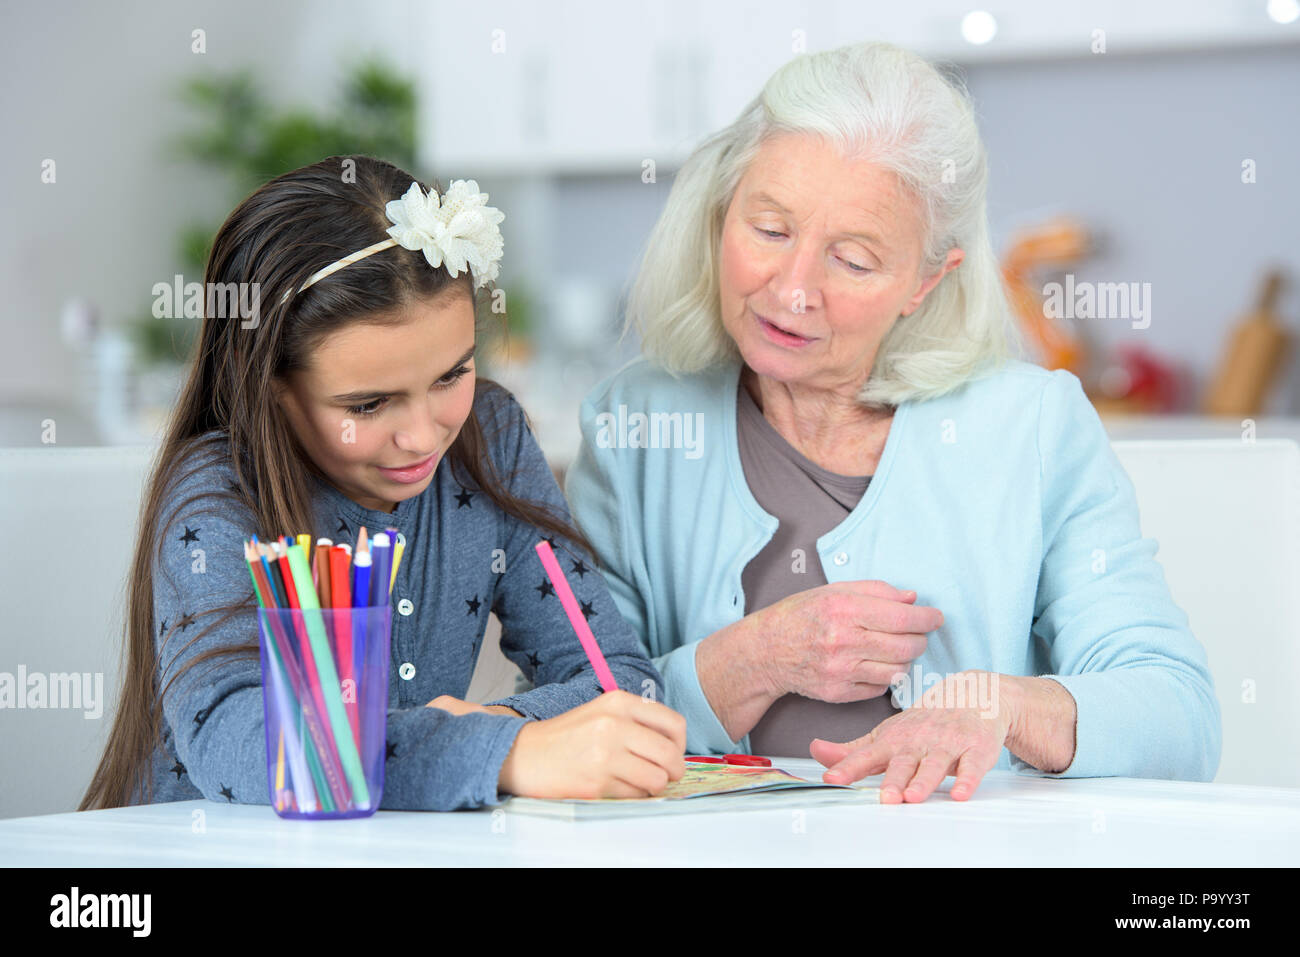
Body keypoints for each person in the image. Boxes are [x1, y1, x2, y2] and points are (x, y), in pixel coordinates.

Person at [564, 42, 1220, 803]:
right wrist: (744, 662)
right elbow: (569, 711)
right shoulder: (635, 424)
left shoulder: (1031, 428)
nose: (795, 288)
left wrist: (1002, 706)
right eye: (770, 230)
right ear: (721, 213)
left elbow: (1180, 713)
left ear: (925, 282)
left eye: (853, 258)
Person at [81, 155, 685, 813]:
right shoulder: (221, 489)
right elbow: (236, 736)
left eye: (451, 375)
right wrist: (502, 749)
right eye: (368, 406)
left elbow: (617, 678)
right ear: (272, 388)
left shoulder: (491, 435)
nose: (424, 436)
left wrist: (488, 730)